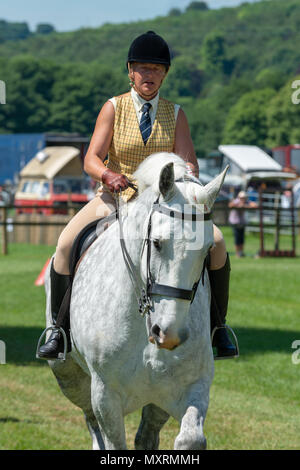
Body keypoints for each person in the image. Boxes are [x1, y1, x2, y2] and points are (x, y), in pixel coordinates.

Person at [37, 31, 237, 360]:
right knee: (64, 244)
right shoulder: (113, 108)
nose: (149, 75)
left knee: (216, 243)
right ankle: (59, 329)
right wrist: (107, 174)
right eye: (143, 68)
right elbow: (91, 158)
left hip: (162, 205)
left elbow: (189, 163)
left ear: (165, 74)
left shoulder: (176, 114)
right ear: (130, 71)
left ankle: (219, 328)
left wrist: (184, 178)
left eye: (156, 69)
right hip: (114, 198)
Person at [228, 190, 257, 257]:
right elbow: (230, 205)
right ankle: (238, 253)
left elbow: (254, 205)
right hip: (235, 222)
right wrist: (238, 205)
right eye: (242, 197)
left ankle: (241, 252)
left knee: (242, 238)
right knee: (237, 238)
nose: (243, 199)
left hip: (241, 222)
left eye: (244, 197)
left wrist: (244, 206)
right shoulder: (236, 201)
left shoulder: (246, 202)